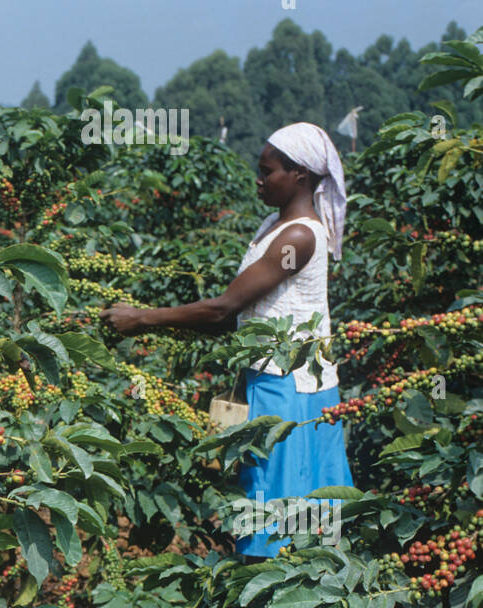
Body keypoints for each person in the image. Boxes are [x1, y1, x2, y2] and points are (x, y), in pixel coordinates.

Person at [101, 123, 354, 558]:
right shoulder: (274, 225)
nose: (259, 179)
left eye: (267, 170)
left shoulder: (298, 236)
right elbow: (231, 315)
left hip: (291, 386)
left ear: (300, 176)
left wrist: (142, 319)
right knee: (272, 498)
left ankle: (282, 600)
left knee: (284, 512)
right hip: (268, 377)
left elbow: (224, 308)